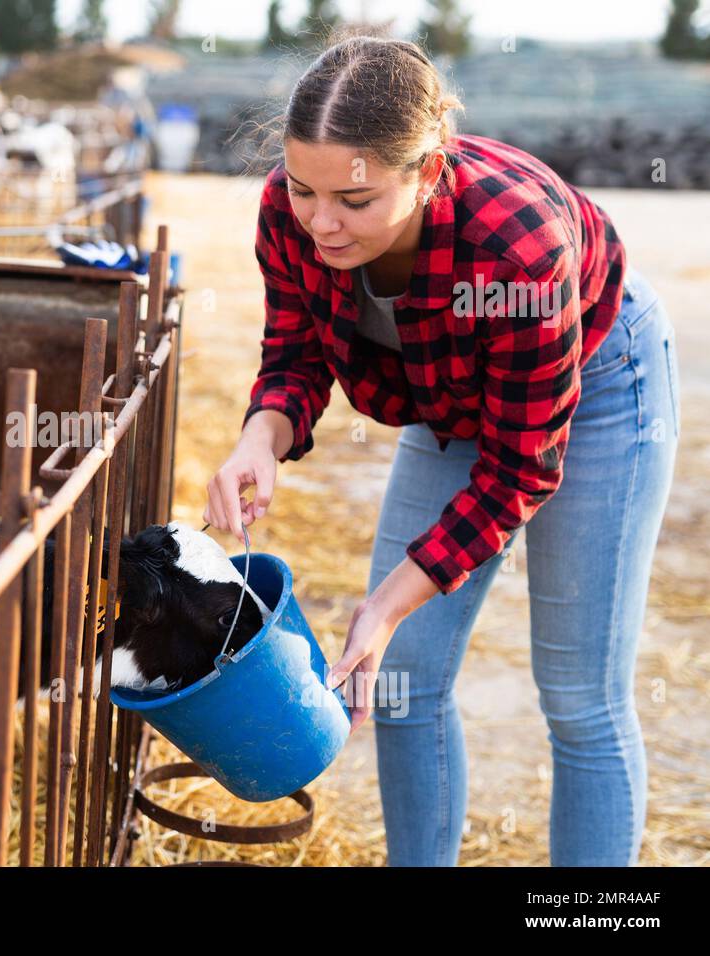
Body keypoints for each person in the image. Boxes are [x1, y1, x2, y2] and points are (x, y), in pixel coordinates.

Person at [202, 36, 679, 866]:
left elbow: (520, 468)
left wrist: (384, 603)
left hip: (596, 385)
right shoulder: (291, 208)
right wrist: (260, 439)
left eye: (353, 199)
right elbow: (296, 353)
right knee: (403, 684)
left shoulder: (516, 249)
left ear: (426, 171)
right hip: (446, 392)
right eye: (305, 189)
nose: (319, 220)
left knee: (579, 697)